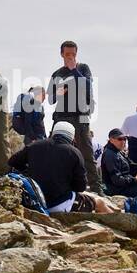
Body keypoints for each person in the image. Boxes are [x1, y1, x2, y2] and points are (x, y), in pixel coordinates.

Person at [48, 41, 100, 190]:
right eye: (67, 54)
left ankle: (96, 187)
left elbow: (88, 85)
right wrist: (60, 91)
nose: (70, 57)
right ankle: (59, 186)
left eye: (73, 54)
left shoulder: (83, 68)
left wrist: (74, 70)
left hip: (81, 116)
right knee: (57, 151)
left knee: (87, 153)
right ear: (61, 54)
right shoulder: (57, 73)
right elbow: (51, 99)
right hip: (61, 116)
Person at [7, 120, 88, 213]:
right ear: (72, 137)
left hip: (32, 201)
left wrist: (28, 171)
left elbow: (12, 162)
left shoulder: (34, 145)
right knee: (98, 202)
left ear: (53, 132)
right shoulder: (75, 153)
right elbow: (81, 187)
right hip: (58, 204)